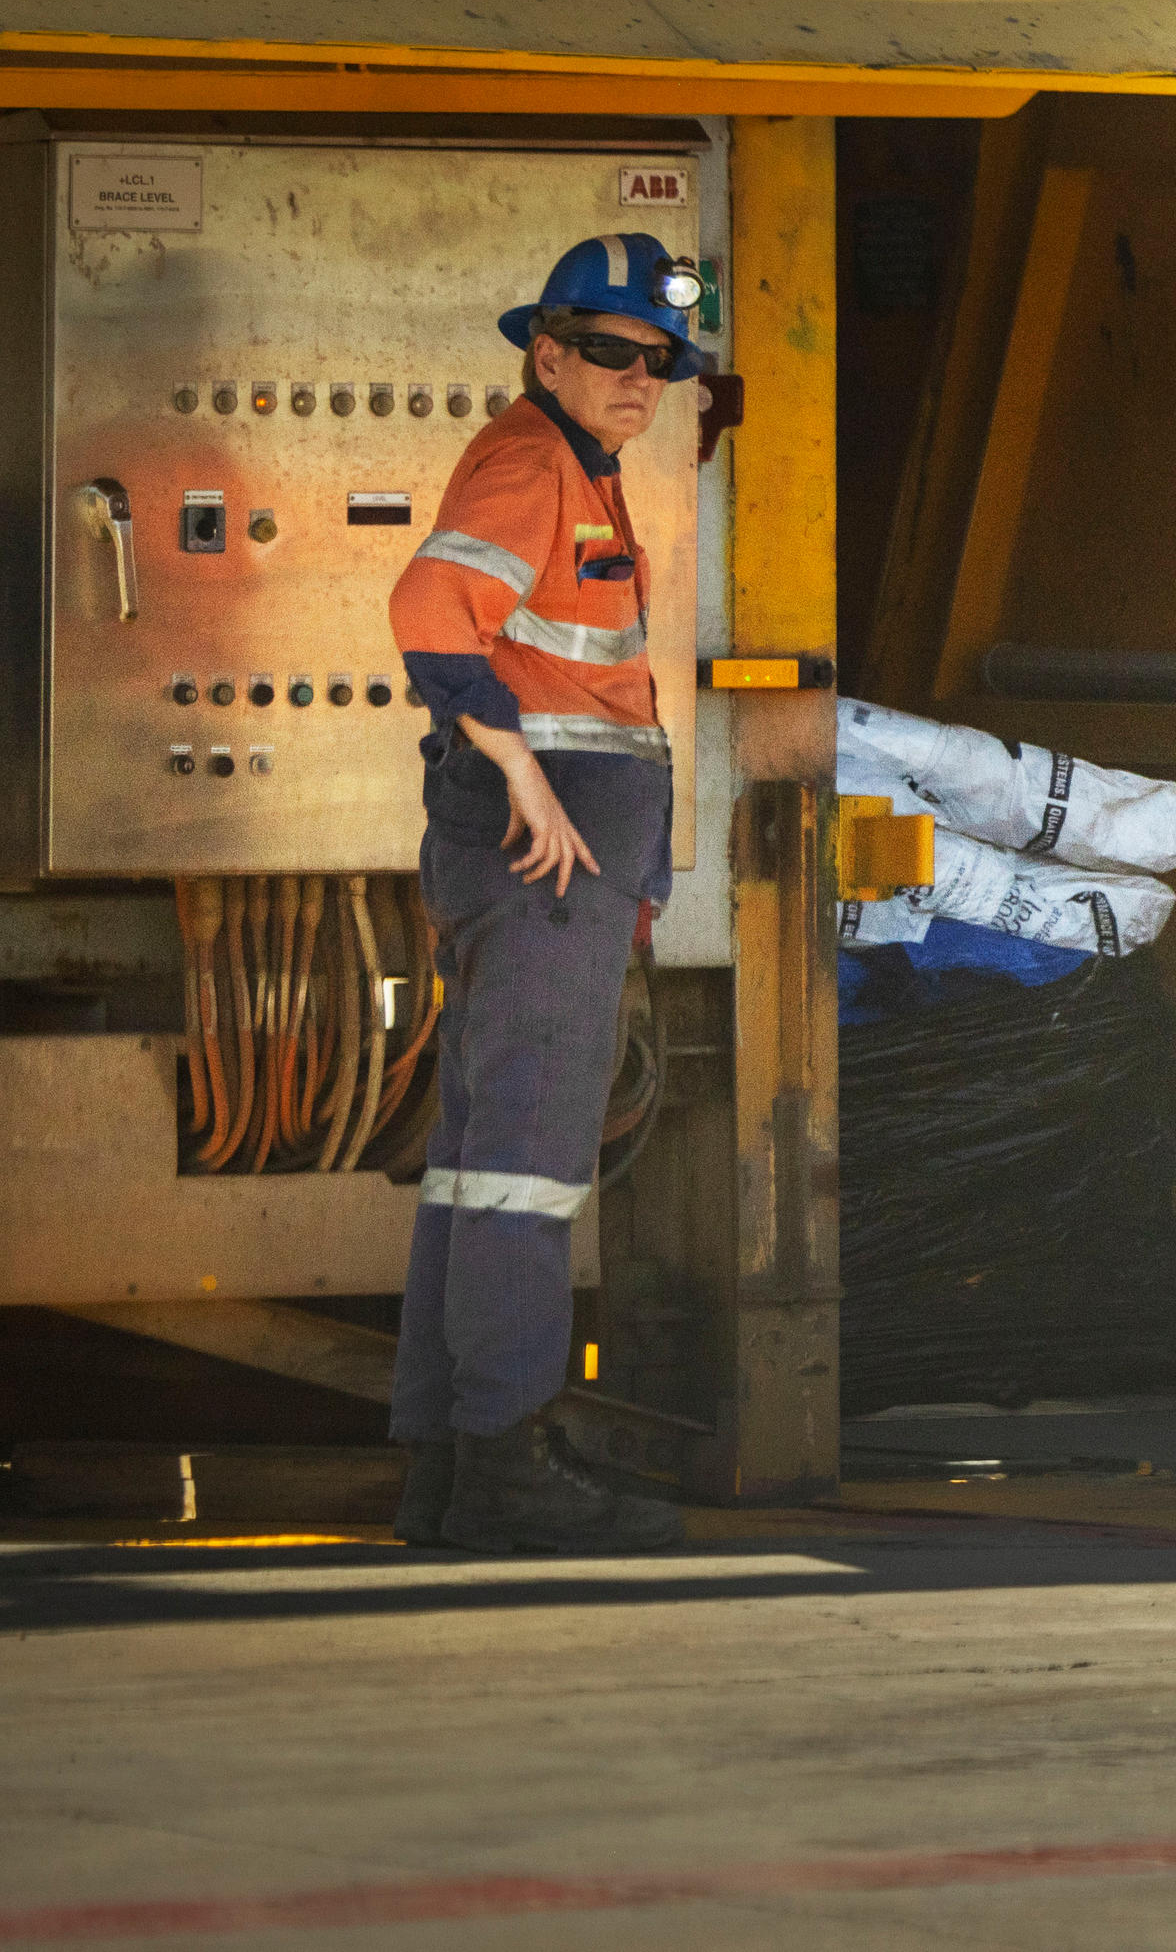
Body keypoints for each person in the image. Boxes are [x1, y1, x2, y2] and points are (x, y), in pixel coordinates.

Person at [385, 233, 713, 1554]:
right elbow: (429, 610)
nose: (643, 378)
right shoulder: (532, 464)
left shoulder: (577, 467)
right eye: (613, 351)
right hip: (547, 847)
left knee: (480, 1165)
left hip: (555, 848)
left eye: (662, 360)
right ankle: (507, 1458)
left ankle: (453, 1461)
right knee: (523, 1163)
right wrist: (522, 771)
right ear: (547, 354)